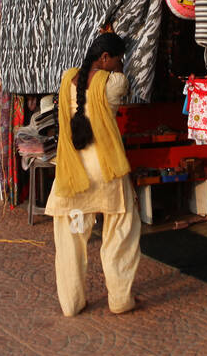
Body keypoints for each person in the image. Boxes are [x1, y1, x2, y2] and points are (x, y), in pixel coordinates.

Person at [47, 32, 140, 317]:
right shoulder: (115, 83)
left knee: (70, 242)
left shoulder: (67, 80)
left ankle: (72, 303)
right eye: (117, 58)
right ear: (105, 58)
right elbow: (120, 78)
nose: (119, 63)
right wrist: (116, 66)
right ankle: (120, 301)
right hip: (108, 173)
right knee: (120, 234)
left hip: (72, 172)